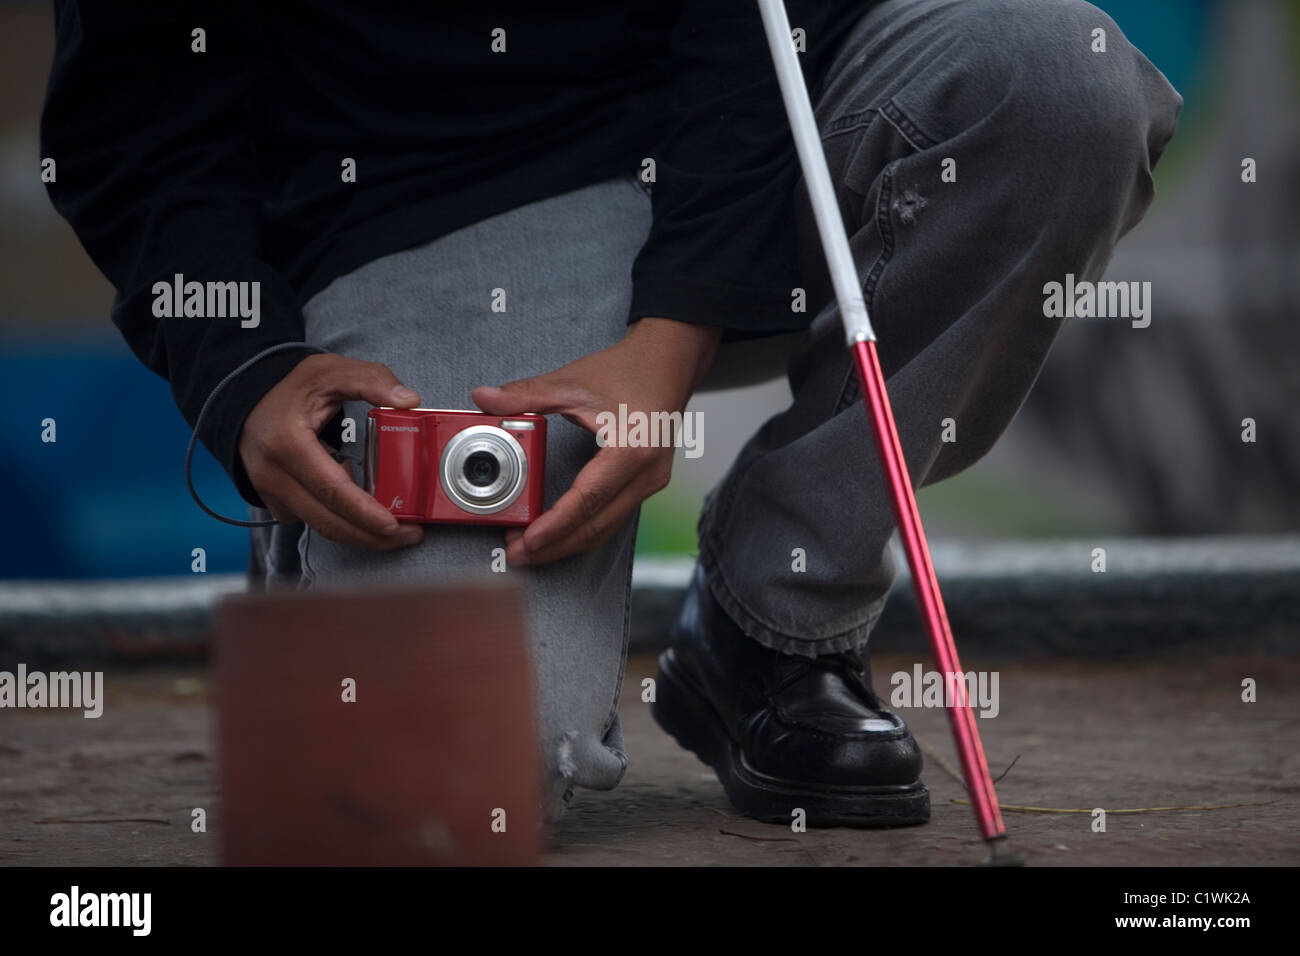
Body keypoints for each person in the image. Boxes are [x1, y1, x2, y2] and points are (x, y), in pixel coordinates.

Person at [43, 0, 1181, 826]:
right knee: (431, 785)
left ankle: (775, 623)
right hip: (435, 195)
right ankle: (336, 578)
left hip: (782, 105)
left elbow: (734, 30)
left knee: (1056, 82)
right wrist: (243, 374)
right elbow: (132, 104)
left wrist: (671, 334)